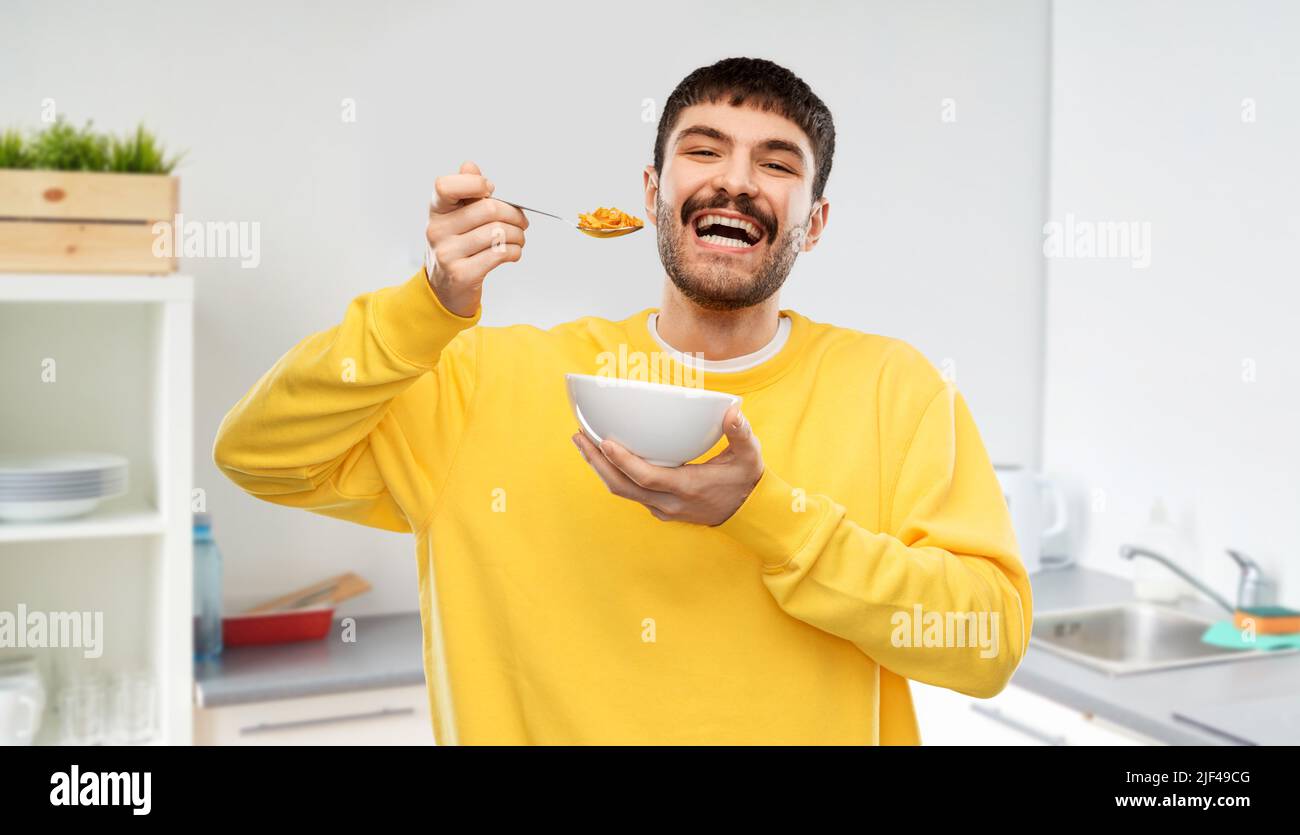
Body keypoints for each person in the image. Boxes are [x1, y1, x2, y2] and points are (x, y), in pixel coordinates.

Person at [213, 56, 1033, 745]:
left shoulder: (898, 390)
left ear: (812, 223)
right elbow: (259, 453)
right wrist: (427, 304)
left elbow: (987, 642)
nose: (737, 182)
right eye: (704, 151)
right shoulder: (485, 380)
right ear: (649, 192)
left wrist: (768, 514)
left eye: (777, 164)